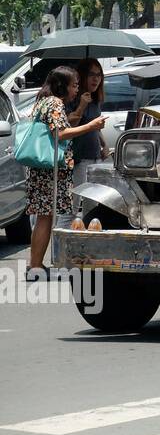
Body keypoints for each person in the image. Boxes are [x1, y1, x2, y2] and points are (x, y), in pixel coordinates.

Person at [24, 65, 107, 281]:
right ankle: (35, 267)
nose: (76, 89)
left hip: (44, 170)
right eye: (74, 85)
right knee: (46, 218)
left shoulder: (43, 101)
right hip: (49, 170)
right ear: (63, 86)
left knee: (45, 216)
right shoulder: (54, 103)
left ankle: (35, 266)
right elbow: (60, 134)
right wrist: (90, 126)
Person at [67, 58, 110, 190]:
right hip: (79, 158)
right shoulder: (73, 99)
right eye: (91, 75)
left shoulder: (95, 100)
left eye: (98, 75)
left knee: (93, 199)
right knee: (76, 198)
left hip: (95, 156)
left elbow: (96, 128)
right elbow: (69, 129)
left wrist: (104, 144)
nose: (95, 79)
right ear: (82, 76)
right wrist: (81, 105)